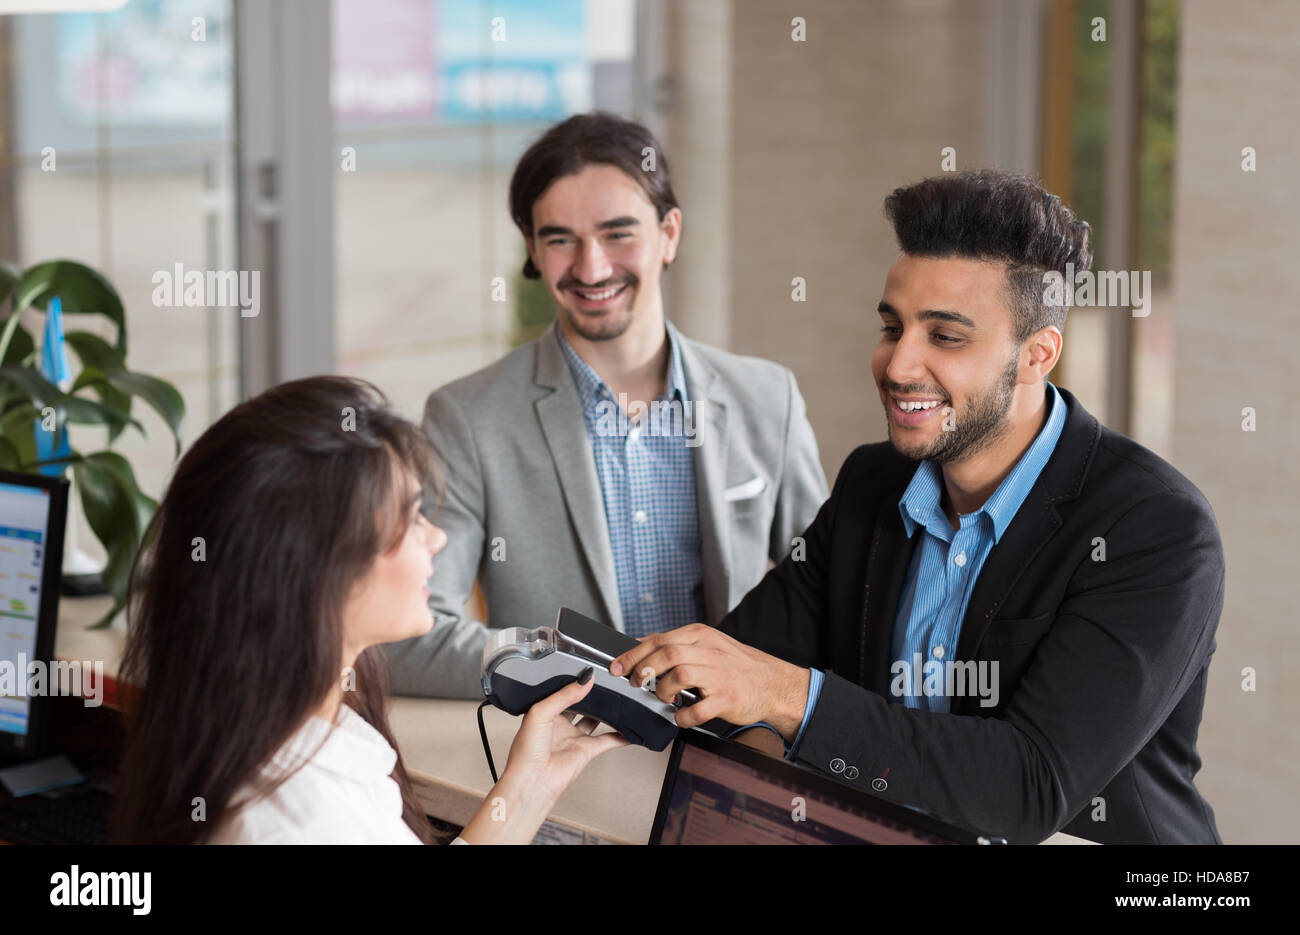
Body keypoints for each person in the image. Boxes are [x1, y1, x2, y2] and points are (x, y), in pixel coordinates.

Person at [607, 170, 1224, 845]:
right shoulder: (873, 481)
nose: (898, 364)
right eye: (891, 326)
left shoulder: (1156, 529)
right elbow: (739, 665)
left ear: (1035, 356)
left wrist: (788, 699)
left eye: (945, 337)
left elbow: (1029, 785)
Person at [384, 112, 828, 698]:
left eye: (618, 233)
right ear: (533, 251)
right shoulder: (468, 418)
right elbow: (407, 638)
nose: (591, 267)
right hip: (572, 760)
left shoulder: (767, 400)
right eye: (560, 239)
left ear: (669, 234)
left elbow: (832, 602)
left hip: (732, 756)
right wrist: (585, 675)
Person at [111, 376, 627, 844]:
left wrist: (533, 782)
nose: (437, 537)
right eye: (409, 519)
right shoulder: (301, 825)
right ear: (315, 569)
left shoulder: (283, 733)